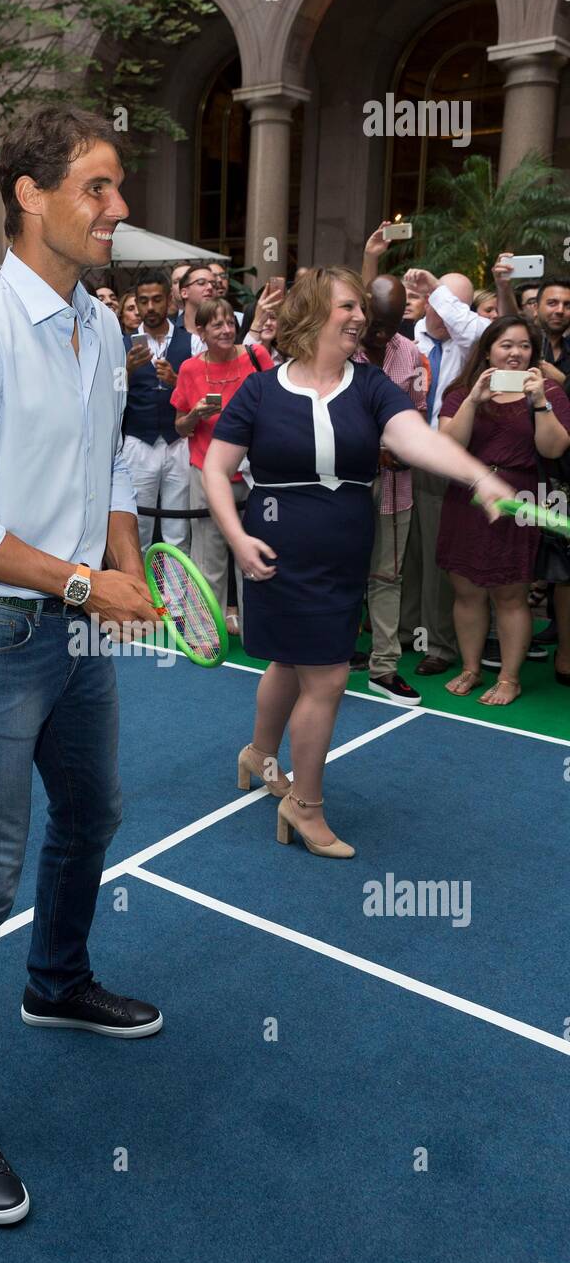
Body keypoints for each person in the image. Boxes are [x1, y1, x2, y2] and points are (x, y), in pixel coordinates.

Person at [0, 105, 163, 1226]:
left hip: (76, 624)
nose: (116, 209)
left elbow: (106, 466)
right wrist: (75, 583)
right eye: (96, 188)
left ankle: (55, 981)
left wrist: (125, 564)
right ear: (29, 193)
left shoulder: (98, 326)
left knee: (95, 812)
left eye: (115, 189)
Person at [201, 267, 513, 858]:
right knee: (329, 674)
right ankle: (304, 805)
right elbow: (217, 470)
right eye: (348, 306)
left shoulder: (371, 386)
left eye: (360, 309)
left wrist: (477, 475)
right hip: (272, 548)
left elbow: (413, 440)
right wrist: (238, 538)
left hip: (343, 553)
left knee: (294, 665)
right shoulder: (261, 389)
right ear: (314, 313)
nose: (360, 317)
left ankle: (257, 755)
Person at [436, 316, 570, 705]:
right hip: (467, 496)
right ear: (488, 349)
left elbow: (552, 450)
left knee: (510, 594)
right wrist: (474, 401)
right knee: (466, 591)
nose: (515, 353)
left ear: (535, 352)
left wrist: (540, 402)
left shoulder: (549, 392)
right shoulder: (463, 390)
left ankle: (510, 678)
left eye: (524, 346)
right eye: (506, 345)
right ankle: (471, 668)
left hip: (518, 500)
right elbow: (448, 446)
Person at [398, 267, 492, 675]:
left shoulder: (471, 343)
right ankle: (401, 631)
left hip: (443, 458)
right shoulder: (403, 337)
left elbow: (482, 329)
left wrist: (440, 292)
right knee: (402, 550)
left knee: (439, 553)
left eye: (455, 304)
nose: (444, 311)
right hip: (397, 456)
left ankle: (438, 643)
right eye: (437, 301)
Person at [171, 296, 274, 623]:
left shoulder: (257, 356)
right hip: (206, 472)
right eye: (217, 325)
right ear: (200, 331)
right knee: (208, 556)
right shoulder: (189, 369)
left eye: (230, 323)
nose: (227, 330)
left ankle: (255, 629)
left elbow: (275, 405)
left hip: (253, 474)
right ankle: (207, 629)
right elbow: (180, 426)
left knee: (253, 553)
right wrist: (195, 416)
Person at [351, 275, 427, 703]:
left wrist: (401, 449)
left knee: (386, 577)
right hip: (343, 486)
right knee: (339, 571)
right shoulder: (340, 349)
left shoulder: (411, 354)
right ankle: (334, 654)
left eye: (392, 323)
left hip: (395, 486)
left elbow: (415, 416)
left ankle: (384, 667)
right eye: (376, 322)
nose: (381, 333)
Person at [121, 269, 193, 553]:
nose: (150, 307)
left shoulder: (191, 342)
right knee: (138, 530)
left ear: (169, 301)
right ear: (136, 303)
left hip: (179, 443)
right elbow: (110, 395)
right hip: (139, 443)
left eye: (156, 300)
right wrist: (126, 370)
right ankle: (139, 596)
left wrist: (177, 382)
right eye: (143, 301)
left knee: (178, 530)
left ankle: (175, 598)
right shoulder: (122, 343)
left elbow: (198, 396)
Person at [174, 264, 216, 348]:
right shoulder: (172, 331)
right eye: (201, 283)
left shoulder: (227, 327)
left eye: (214, 284)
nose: (210, 287)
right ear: (184, 293)